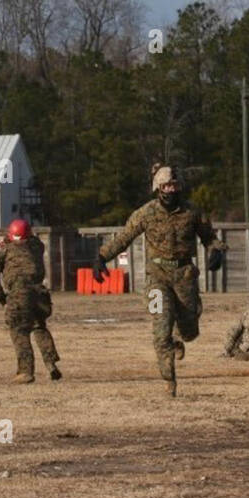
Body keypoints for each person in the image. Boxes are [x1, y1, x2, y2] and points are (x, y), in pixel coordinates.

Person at [93, 165, 225, 397]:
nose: (171, 189)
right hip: (157, 276)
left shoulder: (192, 212)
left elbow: (209, 237)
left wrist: (216, 250)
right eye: (166, 186)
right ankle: (169, 381)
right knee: (160, 327)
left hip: (184, 275)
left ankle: (179, 337)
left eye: (174, 185)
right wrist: (102, 257)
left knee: (189, 331)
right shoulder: (145, 213)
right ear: (158, 188)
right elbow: (124, 237)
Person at [0, 219, 61, 384]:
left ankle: (26, 371)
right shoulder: (37, 247)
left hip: (19, 294)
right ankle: (50, 363)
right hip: (40, 293)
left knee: (19, 330)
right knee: (39, 326)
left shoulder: (4, 251)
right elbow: (33, 241)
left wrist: (1, 298)